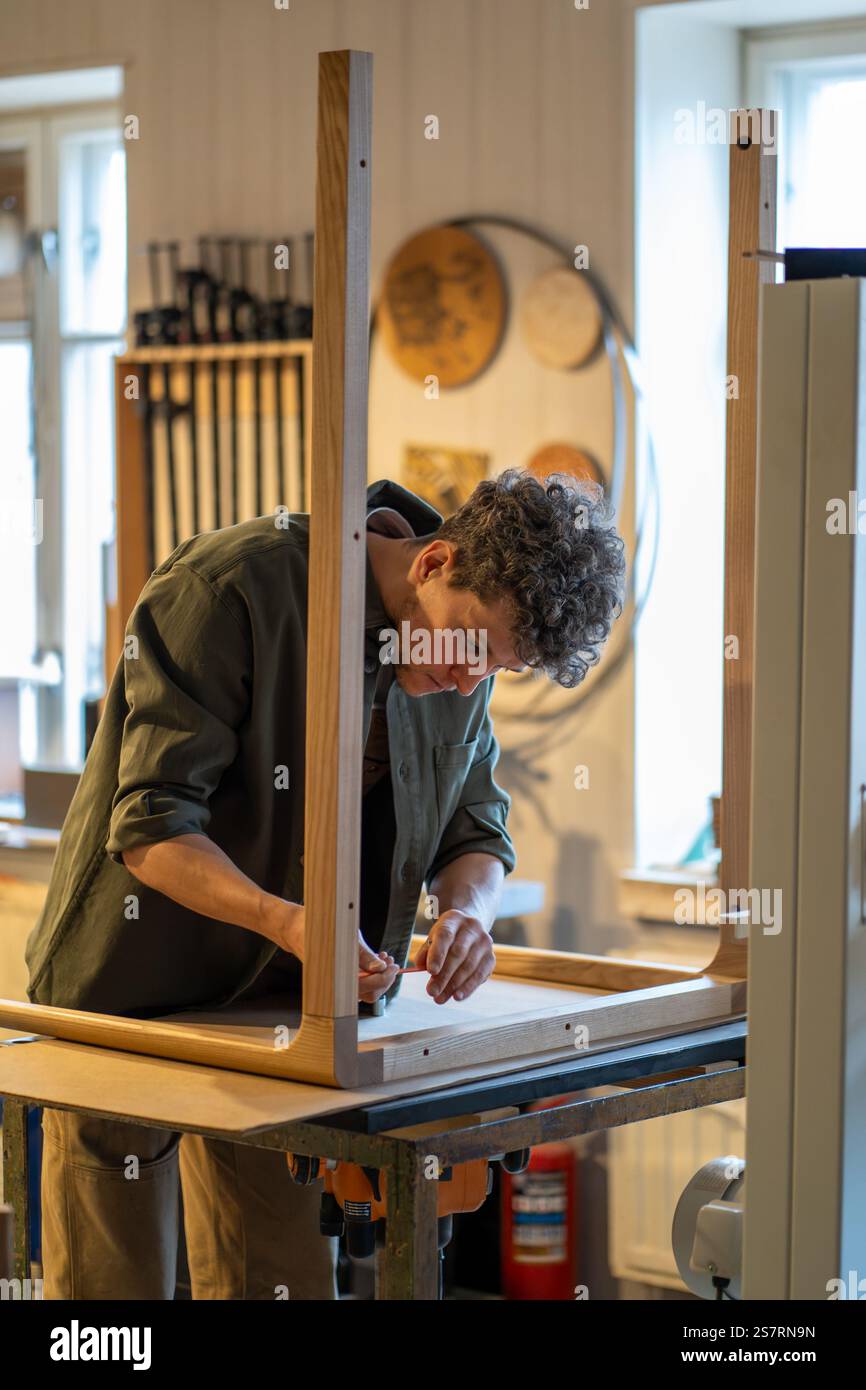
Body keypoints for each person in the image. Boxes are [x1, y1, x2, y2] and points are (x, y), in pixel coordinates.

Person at [26, 468, 625, 1299]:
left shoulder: (458, 657)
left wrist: (468, 914)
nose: (470, 681)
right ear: (433, 562)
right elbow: (152, 828)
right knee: (113, 1299)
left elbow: (477, 826)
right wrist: (288, 922)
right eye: (473, 648)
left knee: (282, 1280)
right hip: (130, 994)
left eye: (500, 669)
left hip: (281, 1018)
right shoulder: (229, 590)